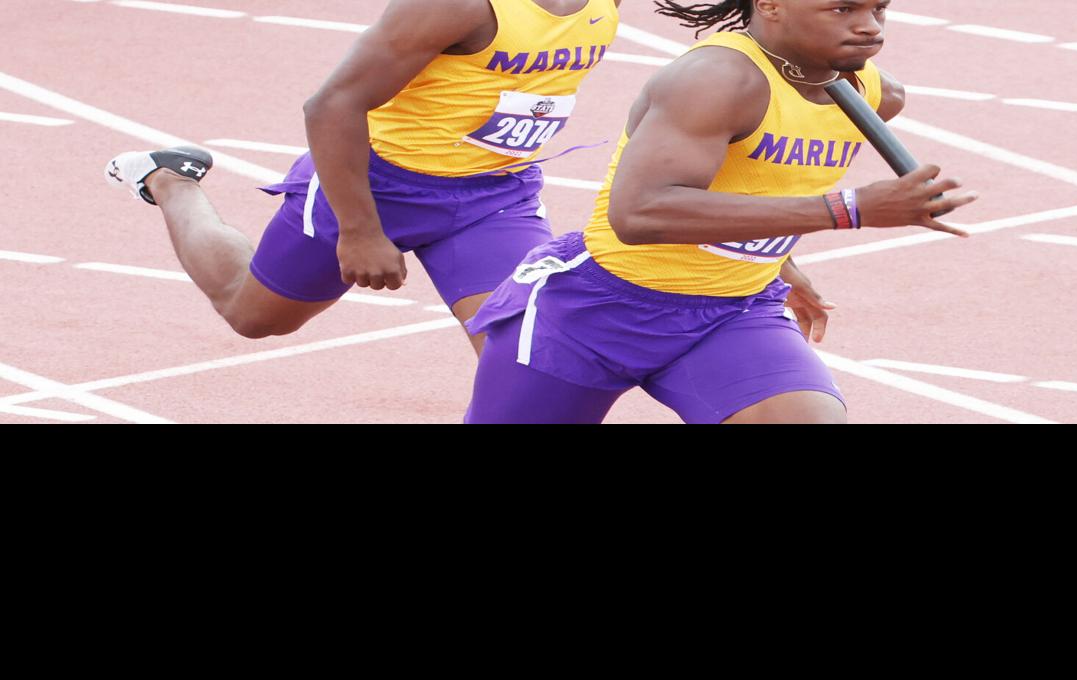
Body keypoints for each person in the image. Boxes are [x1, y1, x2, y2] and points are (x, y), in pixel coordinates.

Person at [463, 0, 977, 423]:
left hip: (733, 312)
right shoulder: (716, 79)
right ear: (770, 5)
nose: (868, 27)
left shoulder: (877, 96)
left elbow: (765, 180)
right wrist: (849, 209)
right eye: (842, 9)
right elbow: (640, 213)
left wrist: (778, 262)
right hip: (596, 311)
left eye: (878, 9)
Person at [104, 0, 623, 354]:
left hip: (495, 195)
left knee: (519, 351)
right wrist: (359, 230)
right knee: (254, 317)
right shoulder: (457, 7)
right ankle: (171, 179)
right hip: (375, 184)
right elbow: (331, 106)